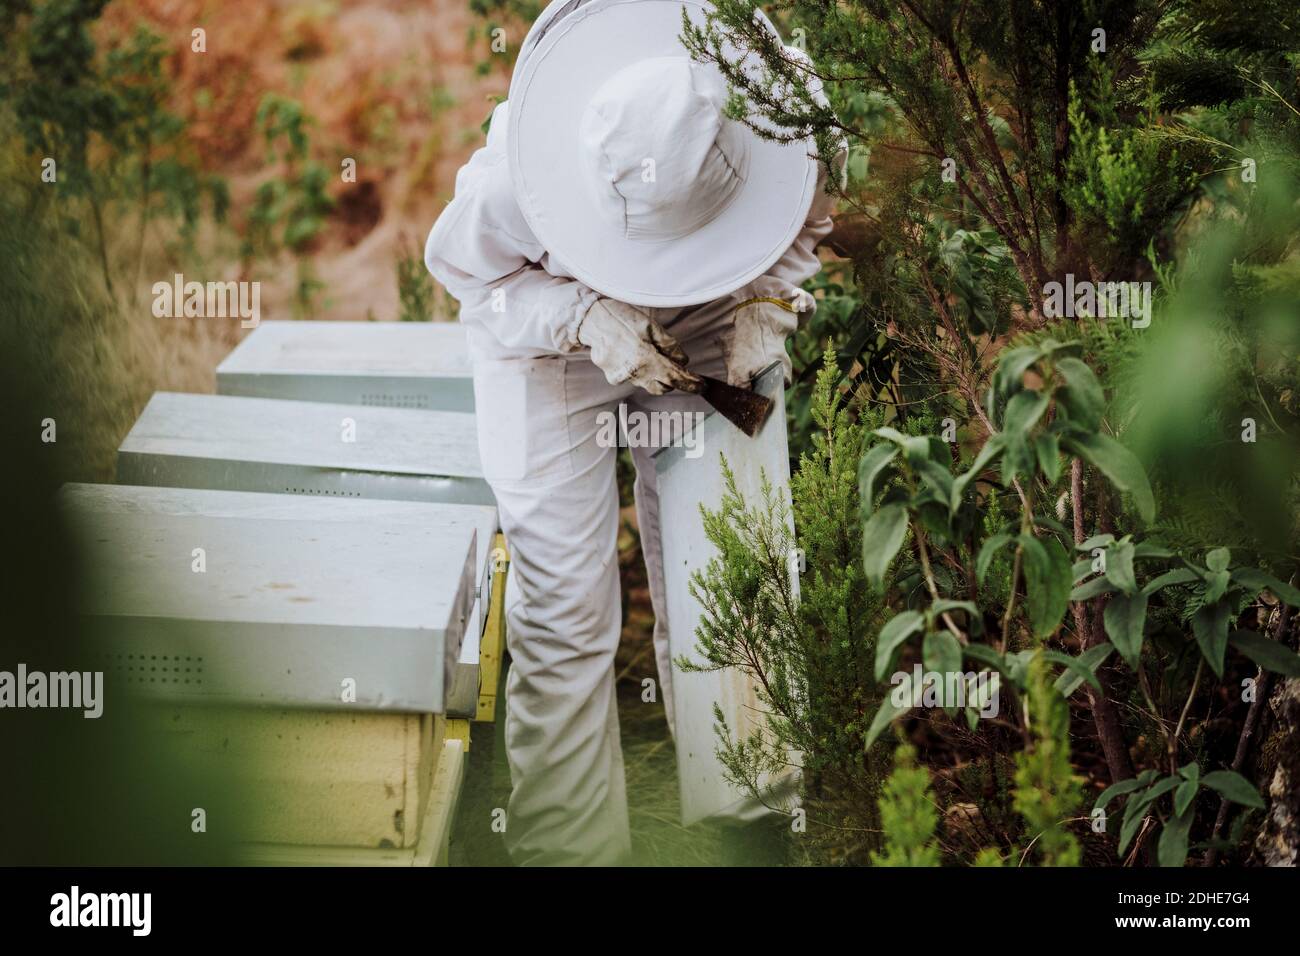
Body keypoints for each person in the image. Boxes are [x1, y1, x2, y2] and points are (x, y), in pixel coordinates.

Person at [425, 0, 835, 865]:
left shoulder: (787, 106)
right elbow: (470, 281)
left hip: (717, 303)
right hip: (542, 332)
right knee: (565, 610)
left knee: (732, 570)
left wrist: (769, 302)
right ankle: (571, 852)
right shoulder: (513, 193)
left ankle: (748, 831)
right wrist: (579, 316)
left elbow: (808, 219)